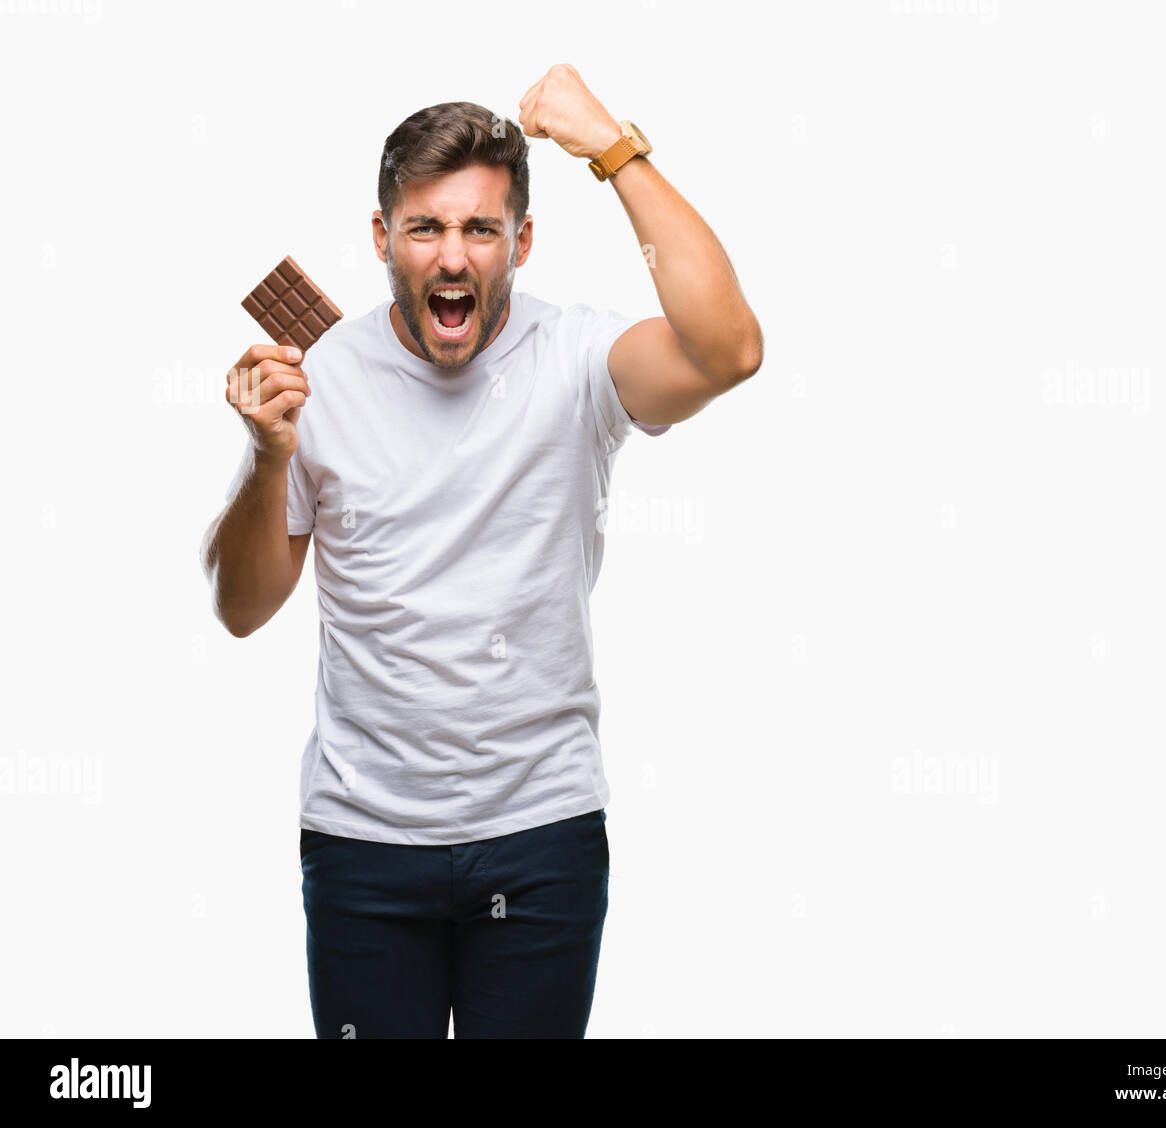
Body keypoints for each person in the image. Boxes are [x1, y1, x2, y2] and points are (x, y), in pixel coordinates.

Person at [199, 65, 763, 1039]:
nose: (451, 254)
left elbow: (729, 352)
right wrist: (265, 455)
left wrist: (610, 147)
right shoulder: (315, 383)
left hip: (540, 838)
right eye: (424, 227)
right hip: (362, 843)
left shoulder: (577, 360)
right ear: (383, 240)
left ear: (521, 242)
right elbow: (242, 610)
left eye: (480, 228)